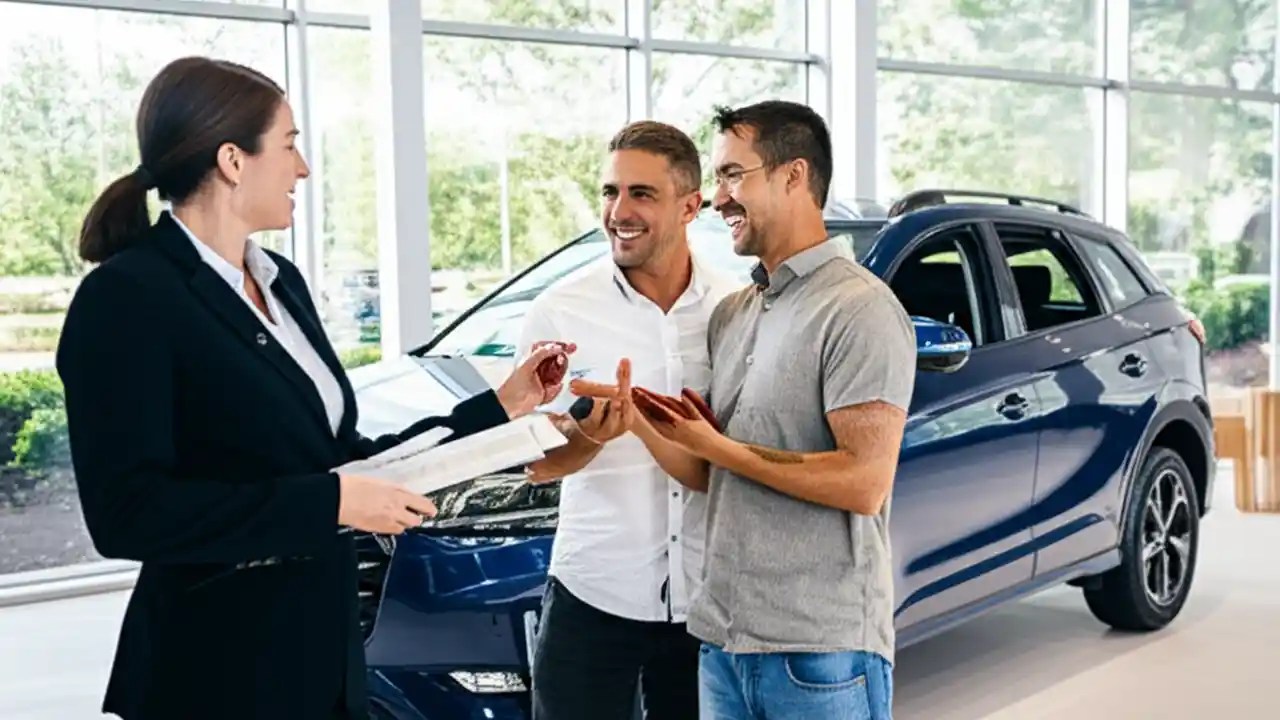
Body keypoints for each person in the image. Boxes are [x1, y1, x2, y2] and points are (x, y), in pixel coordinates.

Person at [56, 56, 566, 720]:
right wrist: (330, 501)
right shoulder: (126, 298)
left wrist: (500, 408)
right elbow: (129, 514)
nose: (302, 168)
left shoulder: (280, 282)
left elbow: (341, 456)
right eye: (289, 144)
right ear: (233, 161)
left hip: (321, 655)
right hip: (215, 669)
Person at [574, 100, 916, 719]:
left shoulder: (859, 308)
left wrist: (721, 449)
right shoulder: (734, 313)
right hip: (723, 645)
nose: (718, 198)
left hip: (820, 652)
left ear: (793, 175)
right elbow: (712, 474)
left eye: (734, 175)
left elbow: (864, 482)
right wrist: (638, 420)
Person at [516, 120, 741, 719]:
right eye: (610, 192)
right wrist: (589, 436)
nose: (620, 211)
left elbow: (740, 457)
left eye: (642, 193)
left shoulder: (735, 308)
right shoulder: (560, 311)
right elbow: (538, 464)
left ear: (690, 206)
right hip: (593, 594)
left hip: (709, 603)